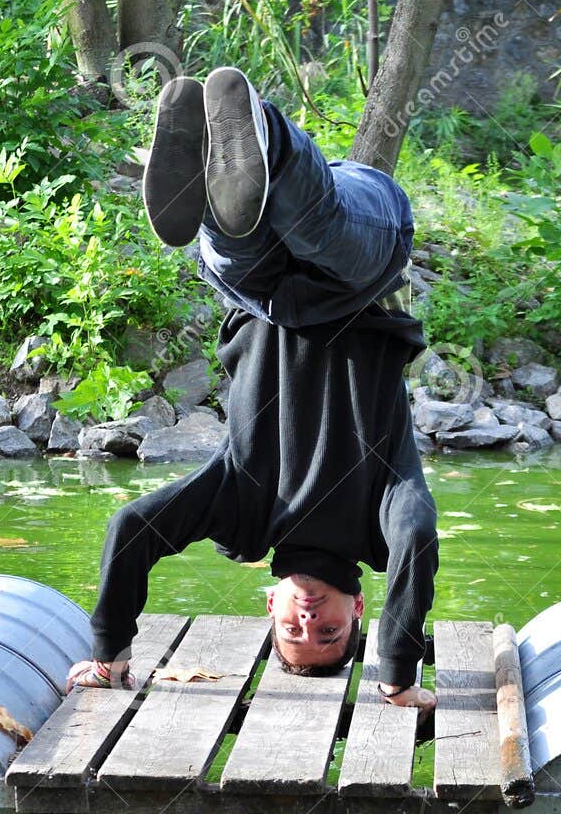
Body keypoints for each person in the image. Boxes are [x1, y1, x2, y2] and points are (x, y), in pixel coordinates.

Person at [64, 66, 438, 715]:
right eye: (329, 631)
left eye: (293, 630)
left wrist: (110, 651)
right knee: (321, 226)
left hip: (263, 295)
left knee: (234, 240)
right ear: (359, 608)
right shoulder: (381, 524)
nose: (309, 618)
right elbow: (417, 538)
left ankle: (211, 154)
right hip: (361, 271)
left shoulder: (242, 512)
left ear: (269, 603)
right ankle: (256, 128)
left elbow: (132, 531)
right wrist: (398, 672)